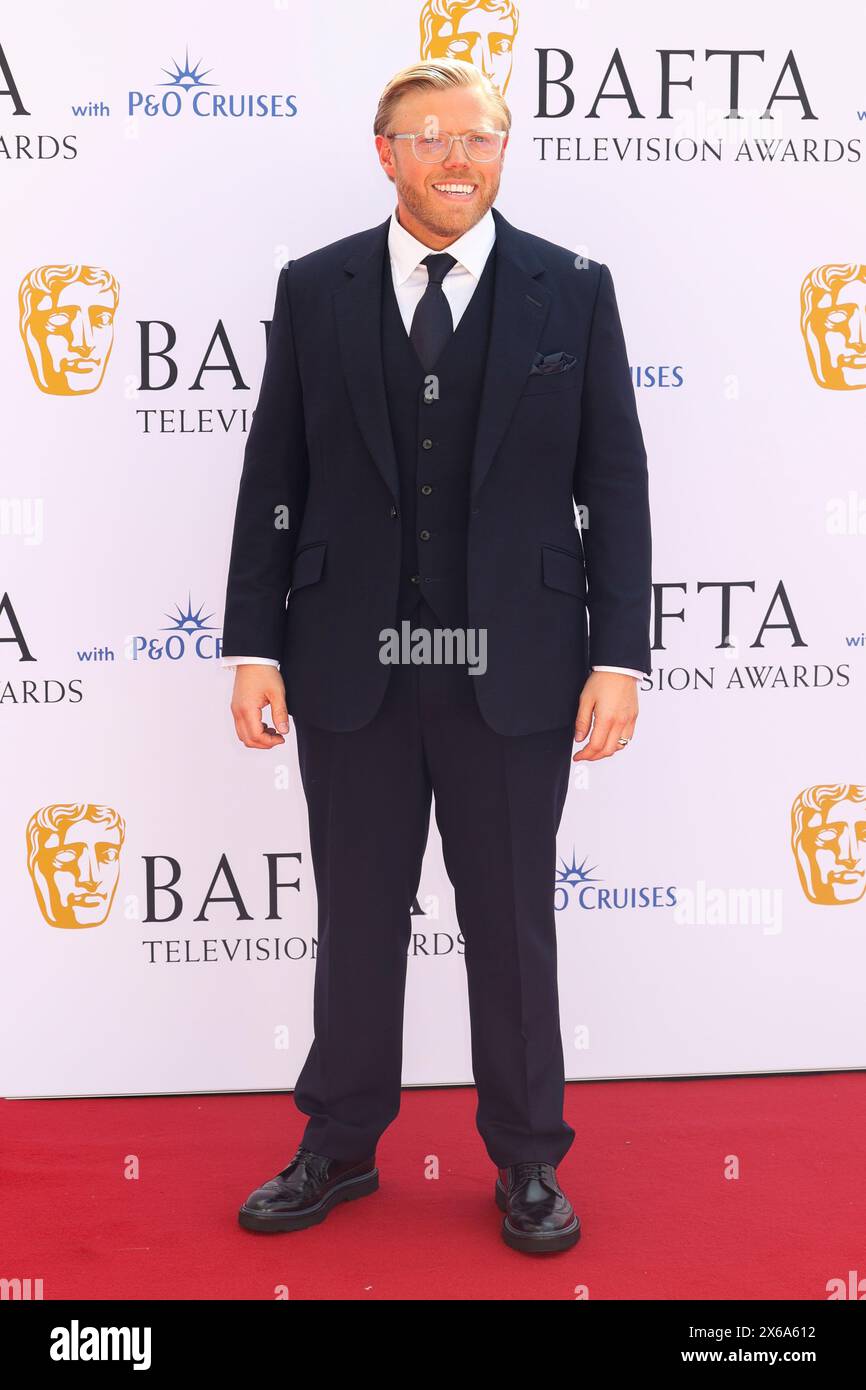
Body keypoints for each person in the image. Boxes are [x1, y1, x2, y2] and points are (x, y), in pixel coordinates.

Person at [221, 57, 651, 1254]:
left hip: (512, 669)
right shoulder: (316, 288)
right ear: (385, 152)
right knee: (357, 912)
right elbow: (275, 479)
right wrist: (253, 642)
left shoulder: (572, 289)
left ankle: (524, 1161)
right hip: (348, 663)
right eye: (429, 138)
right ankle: (340, 1145)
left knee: (510, 920)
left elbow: (613, 482)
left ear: (503, 150)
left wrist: (619, 656)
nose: (457, 157)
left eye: (479, 136)